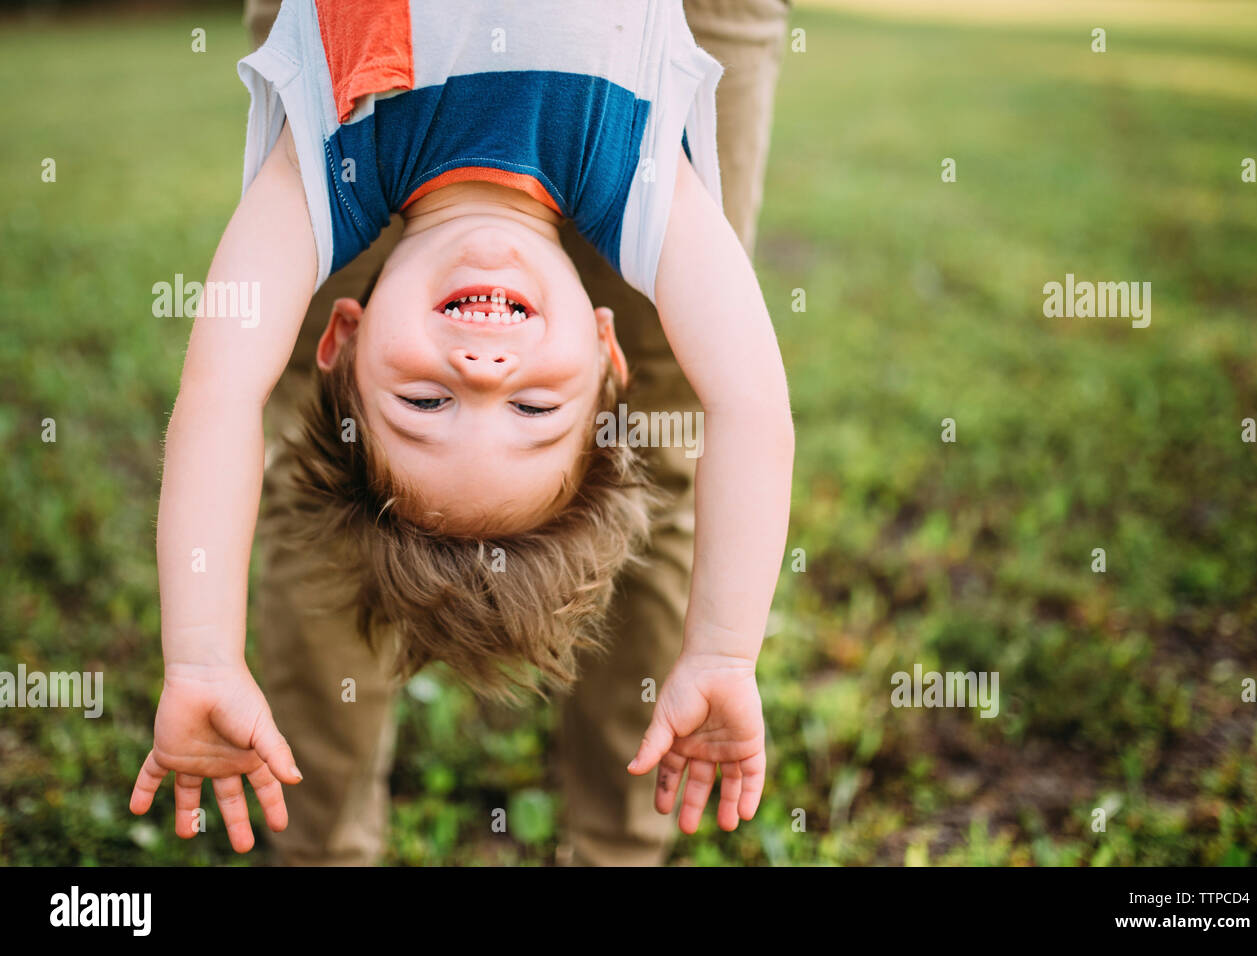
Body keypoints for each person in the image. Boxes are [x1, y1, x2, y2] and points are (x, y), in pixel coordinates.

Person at [130, 0, 792, 866]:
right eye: (534, 412)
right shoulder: (639, 177)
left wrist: (203, 658)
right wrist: (721, 651)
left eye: (423, 405)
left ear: (345, 339)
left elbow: (220, 392)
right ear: (604, 350)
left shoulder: (332, 167)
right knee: (681, 423)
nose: (483, 374)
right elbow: (749, 403)